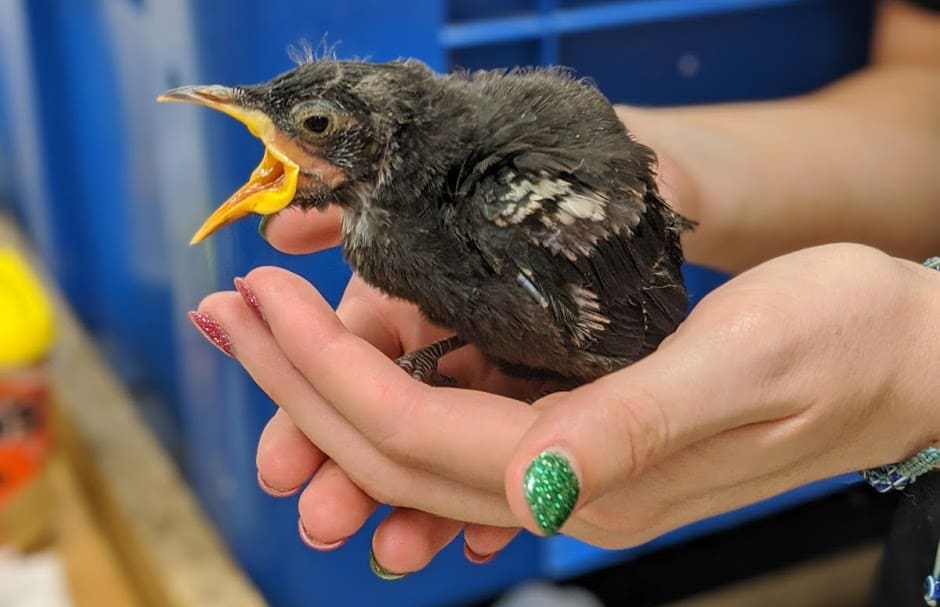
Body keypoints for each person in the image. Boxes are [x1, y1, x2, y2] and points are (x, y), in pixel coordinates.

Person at [190, 0, 940, 601]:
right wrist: (689, 175)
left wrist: (916, 357)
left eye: (318, 125)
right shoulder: (395, 220)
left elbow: (631, 316)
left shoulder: (502, 206)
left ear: (383, 145)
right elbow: (925, 92)